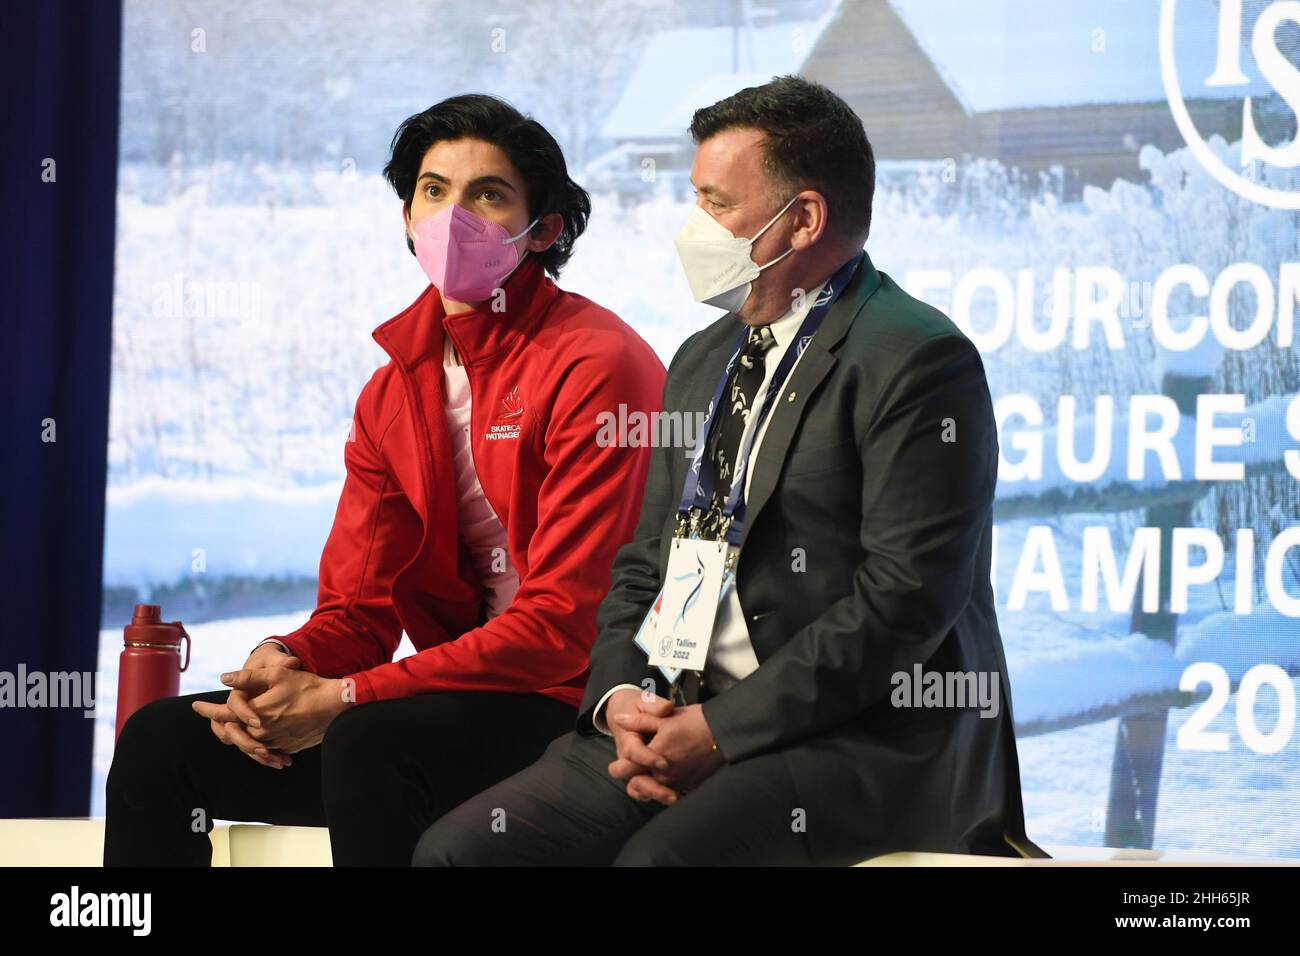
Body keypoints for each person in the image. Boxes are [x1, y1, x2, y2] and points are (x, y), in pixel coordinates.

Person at [412, 76, 1046, 866]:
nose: (692, 227)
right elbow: (646, 564)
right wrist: (621, 702)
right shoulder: (702, 359)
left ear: (804, 219)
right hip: (676, 711)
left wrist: (719, 730)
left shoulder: (915, 357)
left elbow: (903, 604)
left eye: (716, 204)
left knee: (661, 863)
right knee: (457, 854)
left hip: (855, 738)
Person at [104, 94, 666, 866]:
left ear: (546, 231)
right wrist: (283, 663)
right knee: (163, 742)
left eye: (488, 194)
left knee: (370, 739)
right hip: (440, 710)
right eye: (434, 191)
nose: (452, 216)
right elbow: (359, 614)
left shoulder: (598, 365)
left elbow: (562, 629)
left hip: (576, 708)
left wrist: (346, 698)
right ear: (406, 215)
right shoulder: (394, 390)